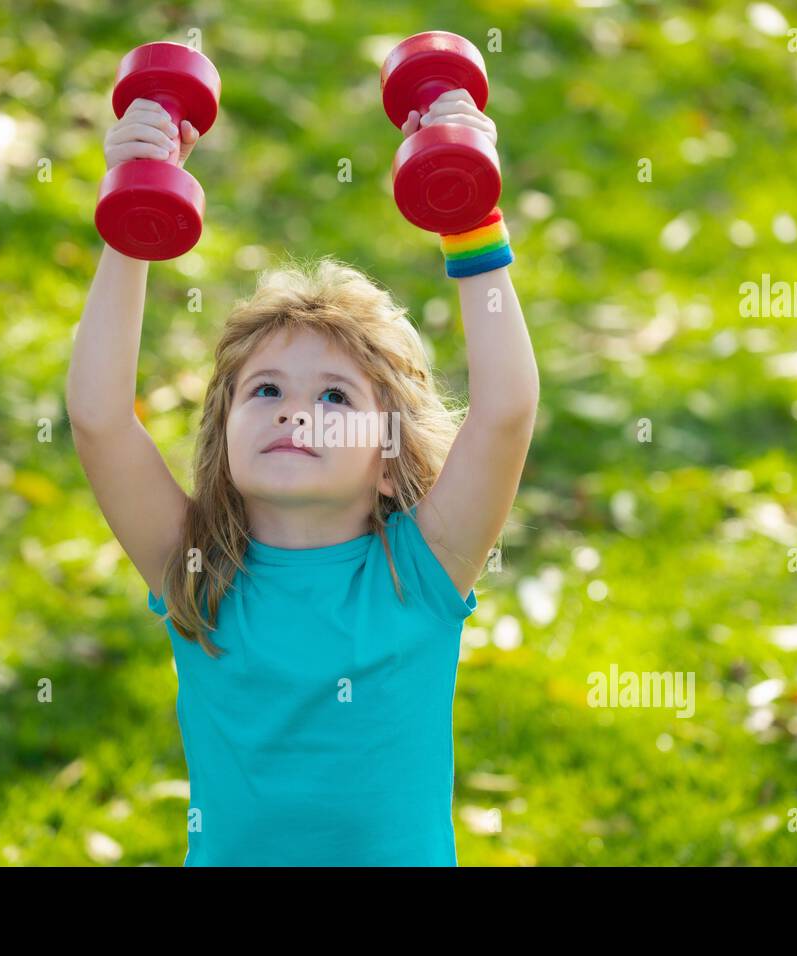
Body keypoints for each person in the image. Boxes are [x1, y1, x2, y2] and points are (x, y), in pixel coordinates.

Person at [66, 90, 538, 865]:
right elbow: (99, 418)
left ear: (388, 460)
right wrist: (133, 217)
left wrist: (468, 210)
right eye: (266, 390)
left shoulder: (421, 570)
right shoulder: (196, 572)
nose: (294, 411)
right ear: (224, 437)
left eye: (333, 395)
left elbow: (506, 411)